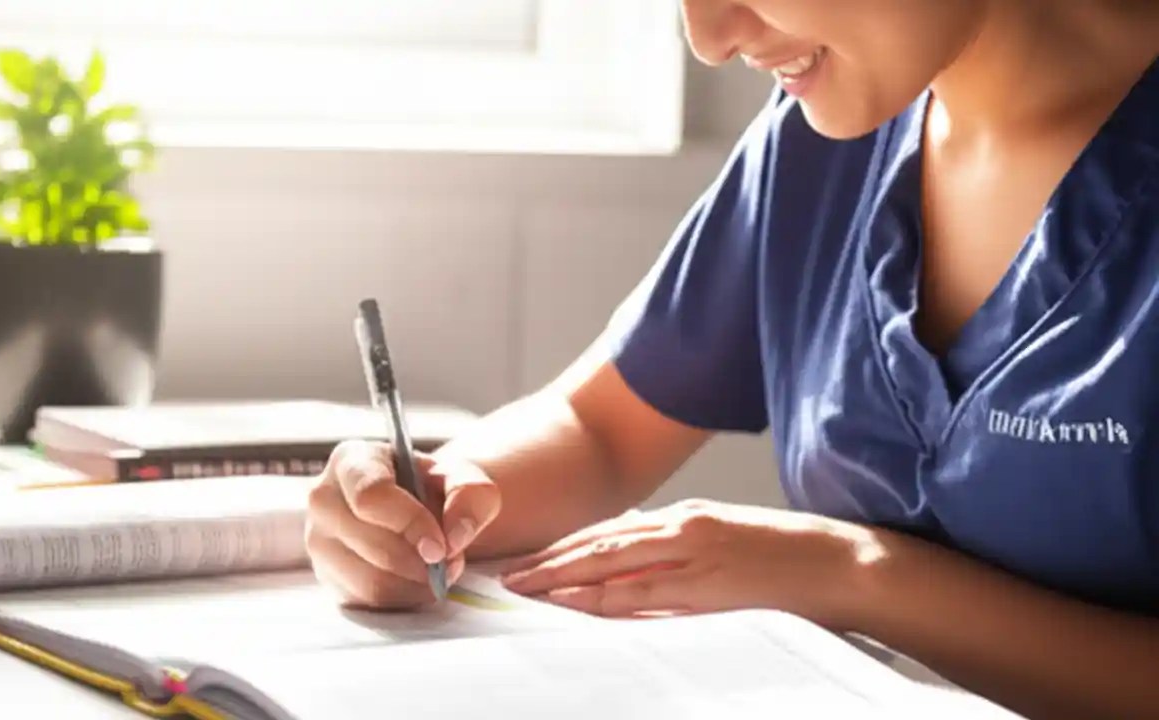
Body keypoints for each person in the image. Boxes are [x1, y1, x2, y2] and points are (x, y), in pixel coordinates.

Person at [304, 2, 1159, 718]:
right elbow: (599, 425)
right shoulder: (829, 135)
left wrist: (857, 576)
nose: (708, 36)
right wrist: (426, 502)